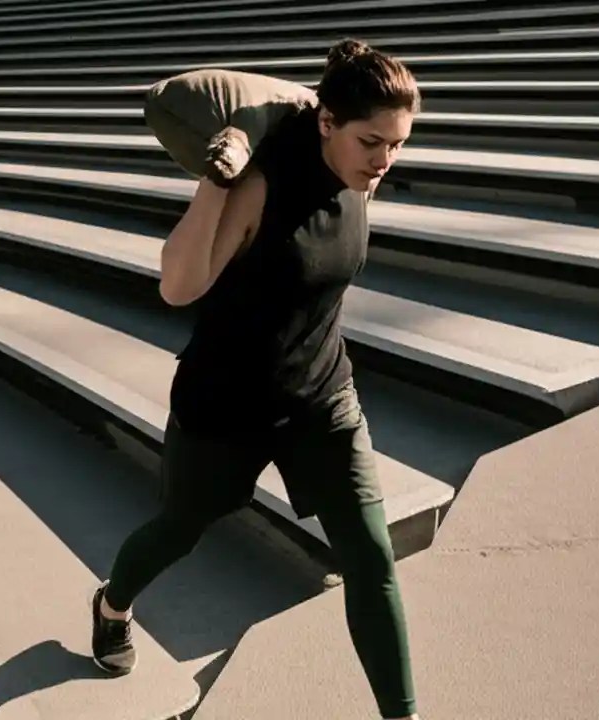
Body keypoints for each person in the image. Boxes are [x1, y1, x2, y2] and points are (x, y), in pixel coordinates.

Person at [91, 38, 422, 720]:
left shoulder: (356, 173)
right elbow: (180, 287)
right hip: (226, 406)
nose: (385, 161)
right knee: (179, 529)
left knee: (370, 559)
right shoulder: (262, 183)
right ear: (329, 124)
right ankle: (112, 602)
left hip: (323, 396)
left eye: (397, 143)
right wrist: (218, 179)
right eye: (372, 142)